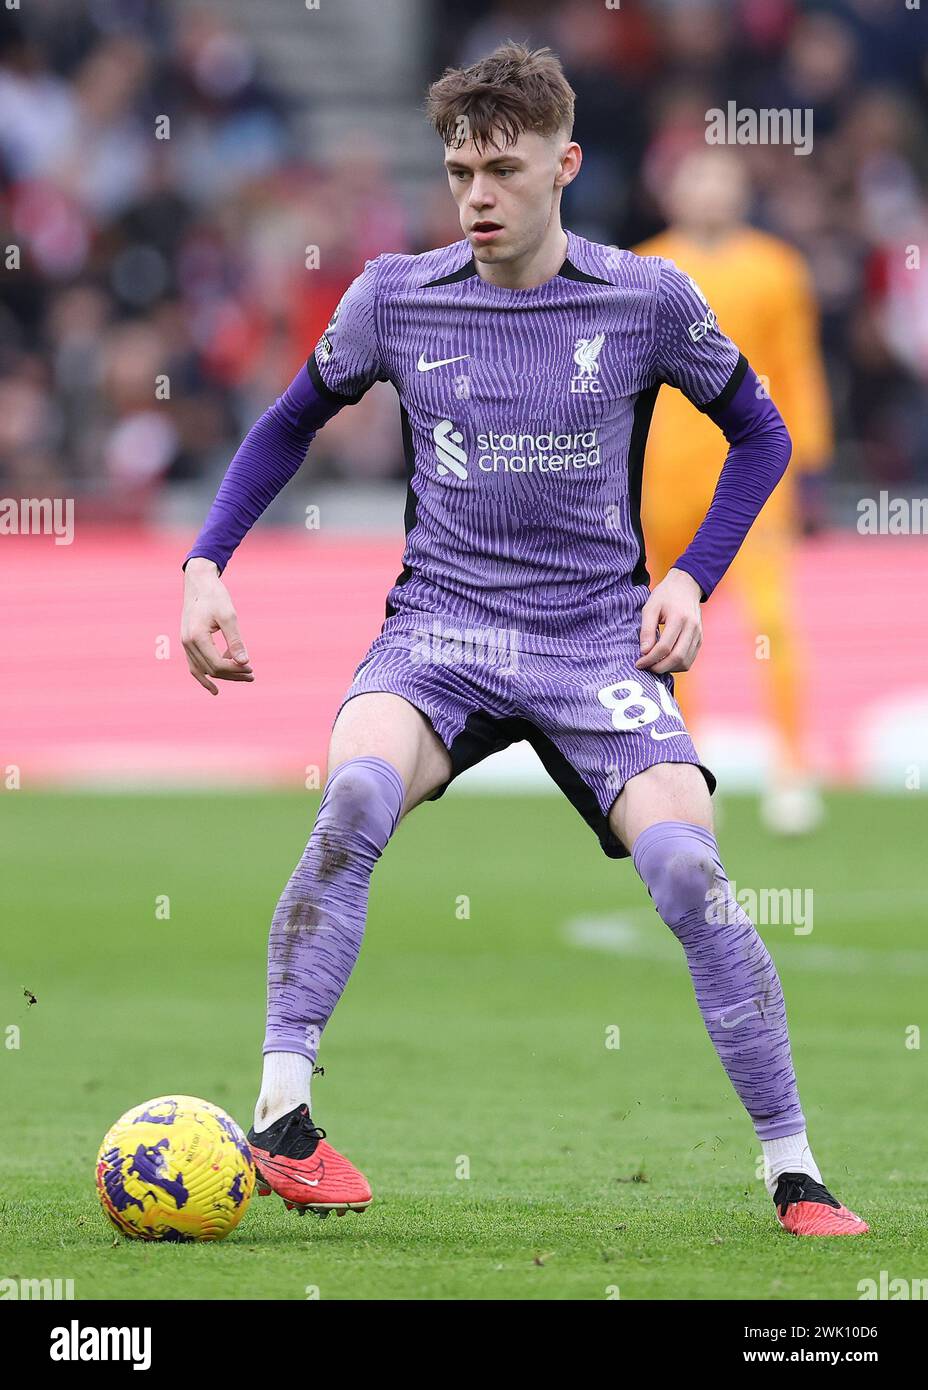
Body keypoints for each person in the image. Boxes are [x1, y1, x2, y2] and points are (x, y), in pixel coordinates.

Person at [181, 43, 866, 1237]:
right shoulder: (395, 293)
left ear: (567, 163)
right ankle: (283, 1115)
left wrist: (695, 579)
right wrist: (203, 567)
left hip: (598, 643)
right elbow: (287, 423)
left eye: (502, 167)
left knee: (690, 875)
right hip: (437, 635)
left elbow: (761, 434)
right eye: (458, 171)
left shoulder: (645, 298)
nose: (477, 195)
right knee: (350, 800)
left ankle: (793, 1170)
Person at [635, 148, 834, 834]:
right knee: (665, 632)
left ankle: (792, 769)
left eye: (723, 183)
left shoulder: (776, 267)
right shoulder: (644, 268)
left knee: (773, 621)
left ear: (742, 193)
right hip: (663, 478)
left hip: (752, 478)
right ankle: (684, 773)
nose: (711, 195)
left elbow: (796, 366)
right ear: (673, 195)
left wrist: (810, 462)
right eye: (698, 181)